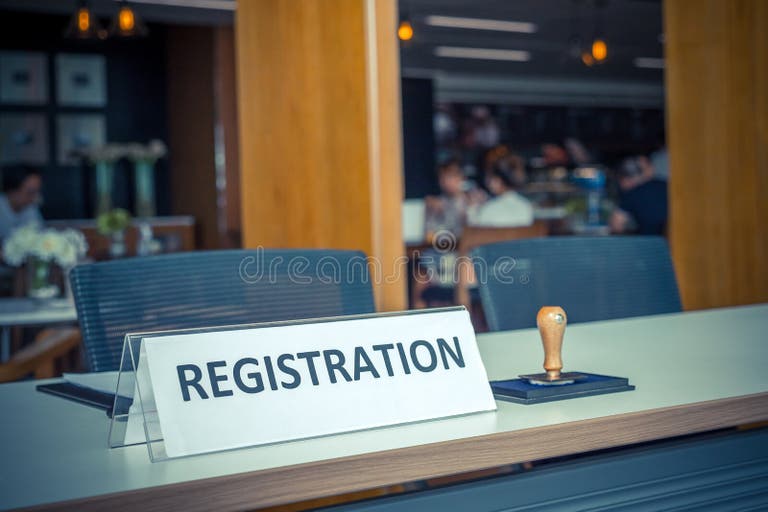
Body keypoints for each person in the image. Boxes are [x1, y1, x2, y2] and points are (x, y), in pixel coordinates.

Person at [468, 153, 533, 227]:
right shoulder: (526, 206)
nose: (487, 181)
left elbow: (473, 232)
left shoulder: (489, 209)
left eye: (490, 177)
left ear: (498, 181)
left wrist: (472, 208)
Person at [610, 156, 668, 236]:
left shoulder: (633, 193)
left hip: (651, 244)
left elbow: (616, 225)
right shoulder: (668, 186)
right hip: (679, 242)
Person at [0, 164, 43, 240]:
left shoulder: (30, 208)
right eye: (30, 192)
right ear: (12, 191)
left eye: (37, 192)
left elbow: (39, 236)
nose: (35, 198)